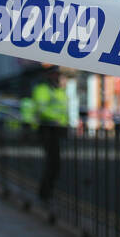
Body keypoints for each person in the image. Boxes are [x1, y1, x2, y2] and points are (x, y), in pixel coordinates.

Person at [32, 65, 69, 205]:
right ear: (48, 76)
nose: (57, 77)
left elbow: (64, 109)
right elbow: (41, 109)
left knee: (55, 164)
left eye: (58, 74)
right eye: (55, 74)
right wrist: (56, 120)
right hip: (47, 129)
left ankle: (48, 193)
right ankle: (45, 194)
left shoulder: (59, 90)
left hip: (58, 130)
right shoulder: (42, 90)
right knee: (52, 163)